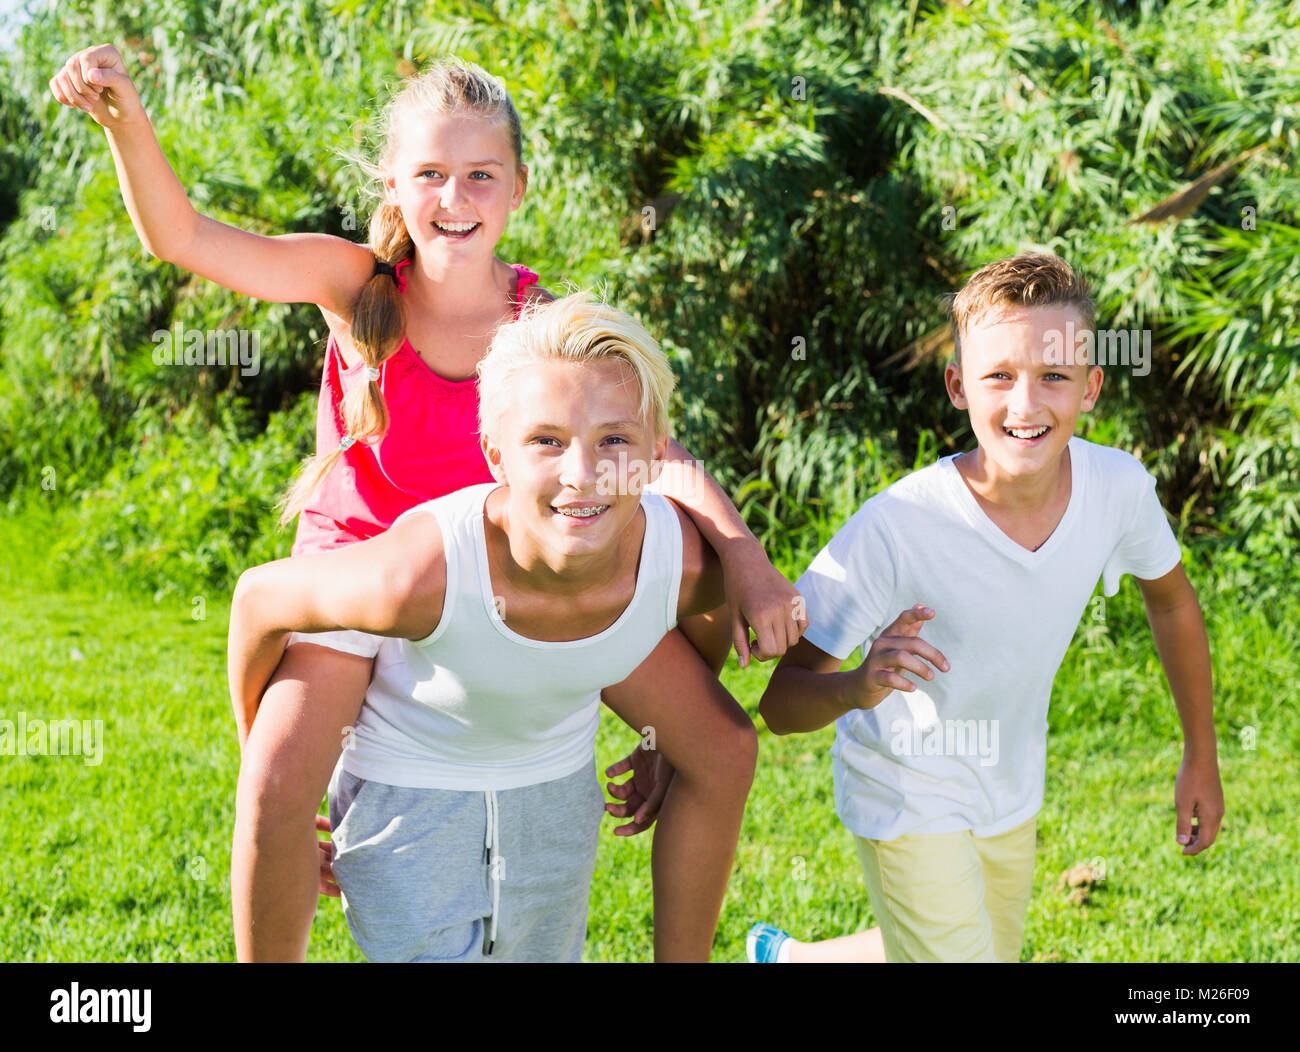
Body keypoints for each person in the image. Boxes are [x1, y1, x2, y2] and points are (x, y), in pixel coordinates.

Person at [50, 45, 800, 961]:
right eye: (432, 175)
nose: (457, 198)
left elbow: (659, 456)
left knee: (720, 747)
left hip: (503, 565)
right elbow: (187, 238)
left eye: (481, 175)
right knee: (275, 782)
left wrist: (749, 562)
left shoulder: (544, 324)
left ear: (519, 187)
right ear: (395, 188)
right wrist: (126, 119)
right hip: (364, 572)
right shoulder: (356, 285)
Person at [228, 291, 739, 961]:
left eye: (614, 439)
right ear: (496, 456)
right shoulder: (415, 576)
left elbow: (711, 628)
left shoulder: (686, 565)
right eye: (547, 442)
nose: (581, 476)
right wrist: (259, 745)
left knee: (729, 746)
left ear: (656, 453)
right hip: (410, 793)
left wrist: (667, 740)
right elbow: (258, 600)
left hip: (547, 792)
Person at [749, 253, 1224, 963]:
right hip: (905, 792)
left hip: (1009, 788)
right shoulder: (898, 525)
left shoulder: (1118, 489)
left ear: (1091, 387)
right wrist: (858, 686)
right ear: (958, 386)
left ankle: (793, 960)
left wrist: (1202, 754)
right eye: (999, 375)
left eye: (1053, 376)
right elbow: (780, 703)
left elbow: (1172, 603)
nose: (1025, 404)